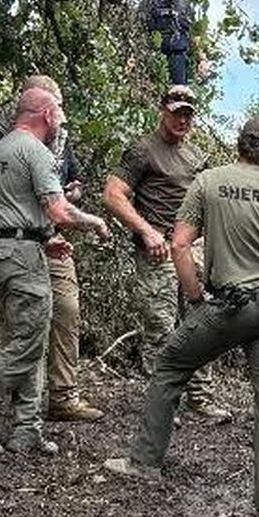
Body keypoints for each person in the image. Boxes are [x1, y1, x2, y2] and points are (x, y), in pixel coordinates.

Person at [104, 117, 259, 517]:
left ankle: (144, 461)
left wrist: (196, 296)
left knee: (170, 364)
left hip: (226, 304)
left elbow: (180, 243)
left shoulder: (209, 182)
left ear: (239, 144)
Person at [0, 87, 110, 456]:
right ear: (46, 115)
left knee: (27, 338)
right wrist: (96, 222)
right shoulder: (34, 150)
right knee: (27, 342)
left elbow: (7, 209)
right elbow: (60, 210)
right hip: (21, 258)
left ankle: (27, 429)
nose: (58, 127)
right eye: (58, 118)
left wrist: (40, 238)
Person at [103, 85, 230, 421]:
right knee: (159, 328)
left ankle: (199, 400)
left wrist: (209, 240)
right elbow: (113, 194)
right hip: (157, 254)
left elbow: (210, 203)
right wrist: (146, 230)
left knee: (201, 325)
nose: (182, 119)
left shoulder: (197, 156)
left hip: (191, 252)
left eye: (188, 113)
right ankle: (162, 403)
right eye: (176, 112)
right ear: (163, 110)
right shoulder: (144, 150)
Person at [138, 0, 195, 85]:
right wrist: (132, 57)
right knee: (147, 86)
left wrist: (203, 59)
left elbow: (194, 34)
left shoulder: (183, 5)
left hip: (176, 53)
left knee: (178, 90)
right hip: (153, 52)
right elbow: (138, 30)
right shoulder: (148, 2)